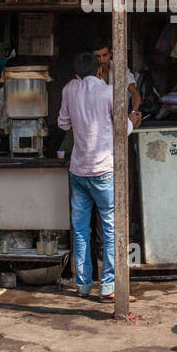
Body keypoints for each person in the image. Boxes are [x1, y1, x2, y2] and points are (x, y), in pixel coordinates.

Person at [57, 52, 139, 302]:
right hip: (104, 171)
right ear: (100, 71)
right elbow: (122, 129)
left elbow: (63, 123)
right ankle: (108, 287)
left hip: (78, 170)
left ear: (76, 74)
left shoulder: (69, 89)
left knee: (81, 230)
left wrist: (82, 125)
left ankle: (82, 286)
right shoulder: (109, 91)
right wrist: (133, 121)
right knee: (111, 229)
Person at [93, 41, 141, 115]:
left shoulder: (120, 69)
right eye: (97, 57)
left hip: (120, 119)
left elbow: (134, 93)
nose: (101, 60)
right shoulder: (89, 74)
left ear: (110, 54)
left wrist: (133, 113)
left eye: (104, 55)